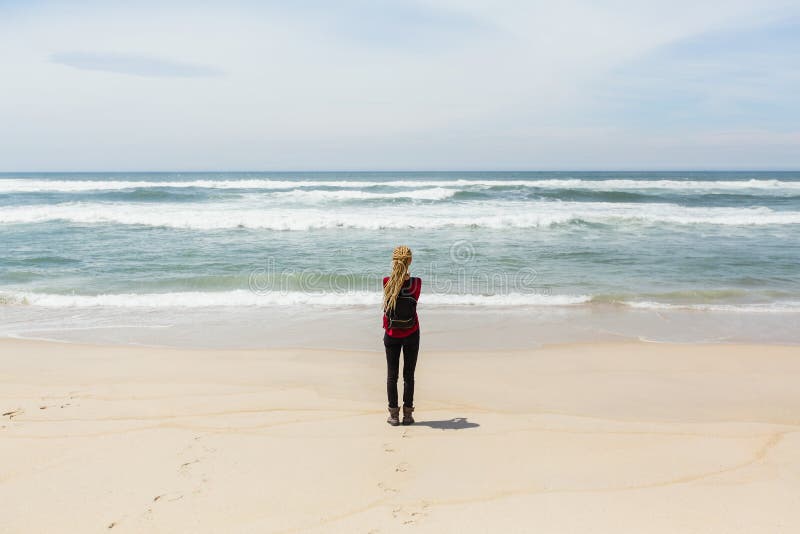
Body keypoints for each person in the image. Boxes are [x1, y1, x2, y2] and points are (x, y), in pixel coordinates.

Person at [382, 245, 421, 426]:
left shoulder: (386, 282)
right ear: (410, 261)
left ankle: (393, 415)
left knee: (392, 375)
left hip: (391, 333)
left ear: (393, 261)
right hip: (411, 332)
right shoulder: (416, 283)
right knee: (408, 375)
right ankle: (407, 415)